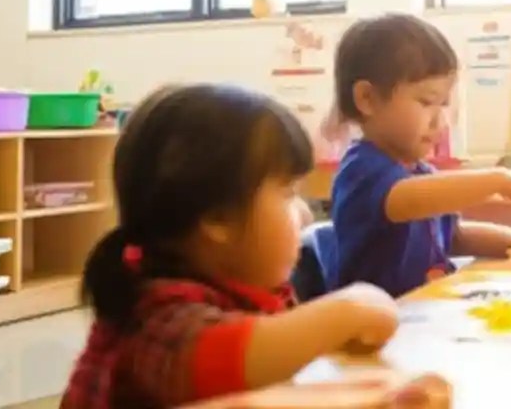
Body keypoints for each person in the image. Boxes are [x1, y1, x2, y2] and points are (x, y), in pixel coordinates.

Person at [61, 84, 403, 409]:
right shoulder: (155, 315)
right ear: (218, 218)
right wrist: (348, 308)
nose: (303, 214)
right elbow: (233, 359)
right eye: (287, 193)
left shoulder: (246, 286)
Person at [328, 14, 511, 298]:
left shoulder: (419, 172)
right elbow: (409, 200)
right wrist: (500, 181)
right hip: (376, 331)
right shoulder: (362, 171)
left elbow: (454, 237)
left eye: (444, 104)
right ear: (367, 99)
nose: (440, 122)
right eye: (427, 102)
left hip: (424, 314)